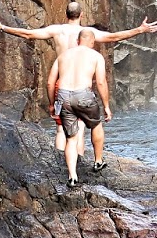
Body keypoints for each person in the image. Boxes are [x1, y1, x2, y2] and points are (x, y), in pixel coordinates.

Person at [0, 2, 157, 151]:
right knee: (80, 127)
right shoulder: (87, 33)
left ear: (66, 14)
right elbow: (113, 37)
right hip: (82, 87)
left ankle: (60, 160)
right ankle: (79, 160)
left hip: (62, 85)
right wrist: (140, 30)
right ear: (81, 14)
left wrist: (2, 27)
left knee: (61, 127)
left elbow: (29, 34)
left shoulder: (56, 30)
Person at [47, 29, 111, 187]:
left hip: (63, 96)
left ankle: (72, 176)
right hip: (83, 95)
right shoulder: (95, 56)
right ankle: (98, 161)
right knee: (96, 124)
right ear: (92, 42)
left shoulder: (63, 56)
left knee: (71, 138)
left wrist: (51, 103)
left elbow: (50, 82)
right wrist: (106, 106)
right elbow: (101, 82)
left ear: (77, 40)